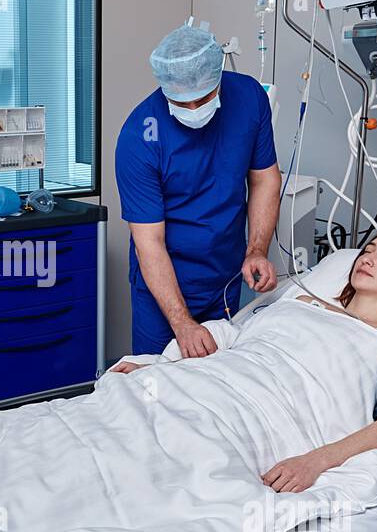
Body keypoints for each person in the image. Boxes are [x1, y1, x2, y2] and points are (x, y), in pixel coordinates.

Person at [111, 229, 377, 493]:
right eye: (369, 249)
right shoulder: (303, 300)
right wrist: (161, 369)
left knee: (157, 468)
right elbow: (237, 346)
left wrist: (315, 462)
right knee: (119, 428)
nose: (369, 258)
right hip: (210, 384)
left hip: (266, 418)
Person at [116, 18, 282, 357]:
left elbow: (264, 178)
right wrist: (182, 324)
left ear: (218, 76)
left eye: (203, 97)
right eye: (181, 102)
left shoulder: (249, 97)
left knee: (214, 385)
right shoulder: (139, 136)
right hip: (164, 284)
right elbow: (149, 243)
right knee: (156, 384)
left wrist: (256, 250)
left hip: (224, 274)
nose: (194, 109)